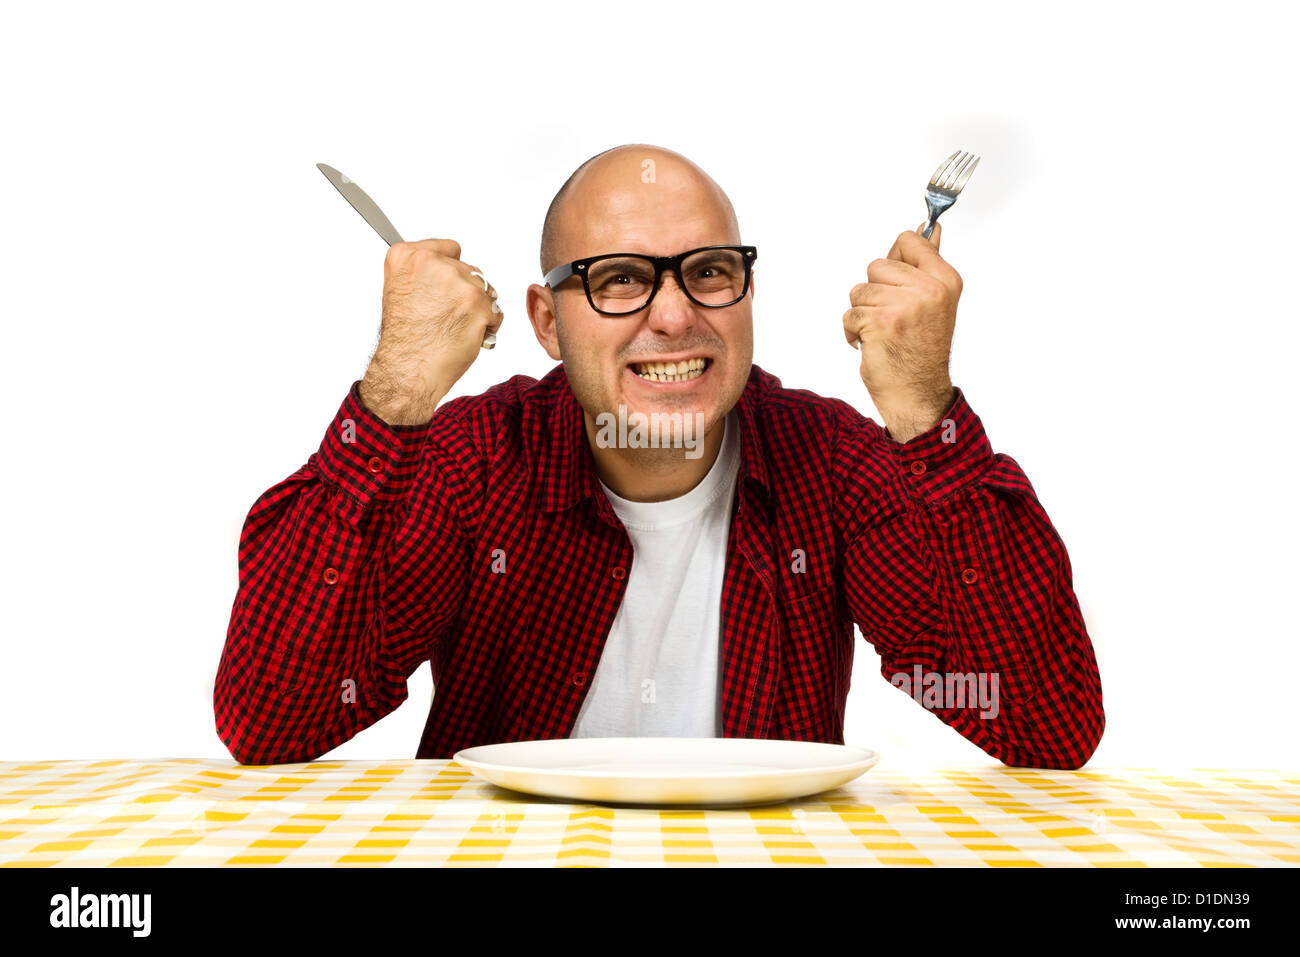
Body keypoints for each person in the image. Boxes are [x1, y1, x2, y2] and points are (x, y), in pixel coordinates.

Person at [214, 143, 1104, 769]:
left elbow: (1046, 724)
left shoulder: (830, 463)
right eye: (620, 278)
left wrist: (923, 409)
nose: (675, 315)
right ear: (544, 321)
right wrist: (397, 391)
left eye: (708, 270)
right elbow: (270, 715)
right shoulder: (475, 461)